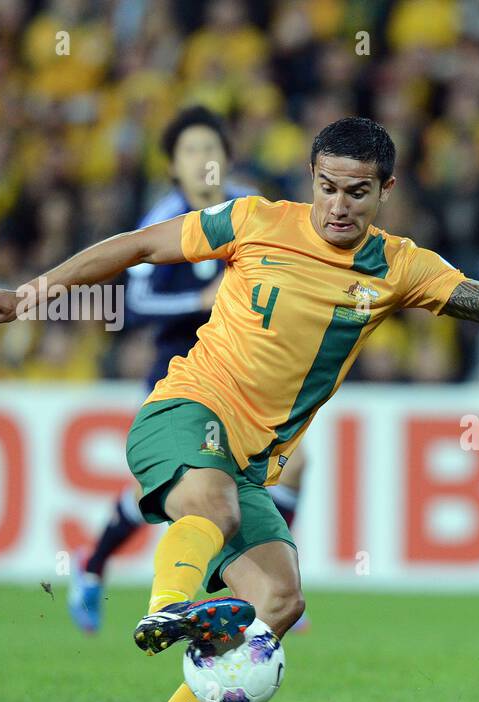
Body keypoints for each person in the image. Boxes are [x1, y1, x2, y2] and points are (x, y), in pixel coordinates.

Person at [0, 117, 479, 702]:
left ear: (386, 190)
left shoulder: (400, 267)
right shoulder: (252, 219)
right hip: (184, 411)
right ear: (311, 180)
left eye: (357, 192)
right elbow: (139, 247)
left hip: (247, 464)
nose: (338, 205)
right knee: (215, 504)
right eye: (327, 187)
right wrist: (27, 295)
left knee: (280, 598)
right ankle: (168, 605)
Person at [66, 105, 309, 635]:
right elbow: (136, 302)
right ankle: (94, 566)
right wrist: (202, 298)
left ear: (228, 158)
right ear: (173, 166)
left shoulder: (251, 210)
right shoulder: (164, 218)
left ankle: (265, 584)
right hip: (183, 372)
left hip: (246, 375)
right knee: (183, 486)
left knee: (293, 463)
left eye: (212, 149)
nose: (204, 160)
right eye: (191, 150)